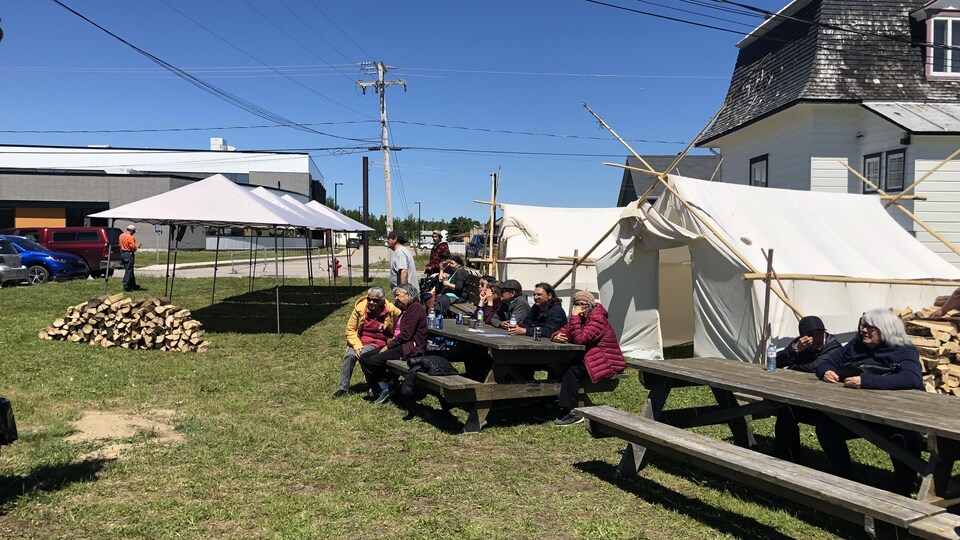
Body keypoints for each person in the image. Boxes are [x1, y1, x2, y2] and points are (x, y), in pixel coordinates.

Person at [815, 308, 924, 495]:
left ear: (886, 329)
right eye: (863, 325)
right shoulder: (856, 345)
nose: (863, 330)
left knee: (903, 437)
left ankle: (903, 489)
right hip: (859, 412)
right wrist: (825, 371)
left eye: (870, 327)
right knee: (826, 426)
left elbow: (912, 379)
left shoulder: (903, 350)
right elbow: (827, 361)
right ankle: (845, 477)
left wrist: (866, 381)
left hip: (894, 416)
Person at [550, 291, 626, 426]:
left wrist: (574, 317)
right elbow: (562, 330)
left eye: (583, 304)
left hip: (606, 361)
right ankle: (551, 402)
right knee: (556, 364)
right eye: (577, 304)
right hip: (592, 358)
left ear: (591, 305)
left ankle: (573, 412)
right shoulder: (582, 318)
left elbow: (580, 339)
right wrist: (556, 336)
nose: (580, 307)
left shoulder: (598, 319)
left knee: (572, 370)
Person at [772, 315, 841, 461]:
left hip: (826, 401)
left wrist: (793, 367)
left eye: (819, 333)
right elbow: (774, 362)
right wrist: (793, 350)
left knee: (790, 410)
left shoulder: (834, 348)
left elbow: (815, 367)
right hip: (801, 396)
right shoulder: (800, 345)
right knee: (785, 409)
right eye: (810, 334)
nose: (815, 338)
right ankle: (787, 455)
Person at [359, 284, 427, 404]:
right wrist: (386, 330)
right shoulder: (405, 310)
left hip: (409, 347)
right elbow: (396, 333)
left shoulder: (416, 308)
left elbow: (406, 335)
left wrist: (387, 346)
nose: (396, 298)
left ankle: (389, 385)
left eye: (398, 295)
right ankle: (386, 385)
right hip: (399, 344)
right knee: (364, 357)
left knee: (374, 360)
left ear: (409, 295)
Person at [333, 286, 401, 398]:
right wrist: (357, 345)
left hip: (379, 344)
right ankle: (343, 388)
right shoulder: (360, 309)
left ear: (382, 301)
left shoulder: (391, 310)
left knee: (364, 355)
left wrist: (388, 330)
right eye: (369, 299)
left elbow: (399, 324)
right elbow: (350, 329)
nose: (371, 302)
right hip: (361, 341)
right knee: (350, 355)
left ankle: (374, 385)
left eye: (375, 300)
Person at [387, 230, 419, 297]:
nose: (387, 241)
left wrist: (403, 293)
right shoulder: (402, 250)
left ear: (395, 239)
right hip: (409, 293)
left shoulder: (400, 252)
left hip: (408, 295)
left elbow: (404, 271)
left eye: (388, 239)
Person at [119, 224, 142, 292]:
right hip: (129, 254)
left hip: (123, 253)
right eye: (134, 231)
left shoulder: (121, 235)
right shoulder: (130, 237)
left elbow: (120, 244)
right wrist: (137, 247)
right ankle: (126, 285)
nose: (134, 232)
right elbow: (132, 247)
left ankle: (133, 285)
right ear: (131, 230)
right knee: (129, 270)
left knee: (130, 270)